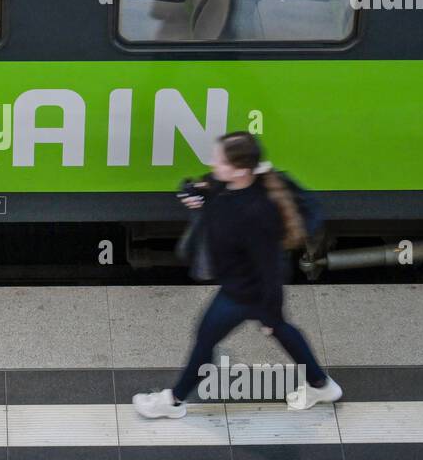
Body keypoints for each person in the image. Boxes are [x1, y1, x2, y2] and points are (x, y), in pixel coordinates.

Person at [133, 131, 341, 418]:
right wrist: (192, 192)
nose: (213, 162)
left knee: (206, 337)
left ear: (241, 170)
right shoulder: (235, 185)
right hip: (245, 285)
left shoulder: (256, 213)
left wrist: (270, 309)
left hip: (245, 291)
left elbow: (269, 269)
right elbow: (206, 186)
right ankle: (321, 384)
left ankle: (173, 401)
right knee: (280, 329)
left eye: (219, 159)